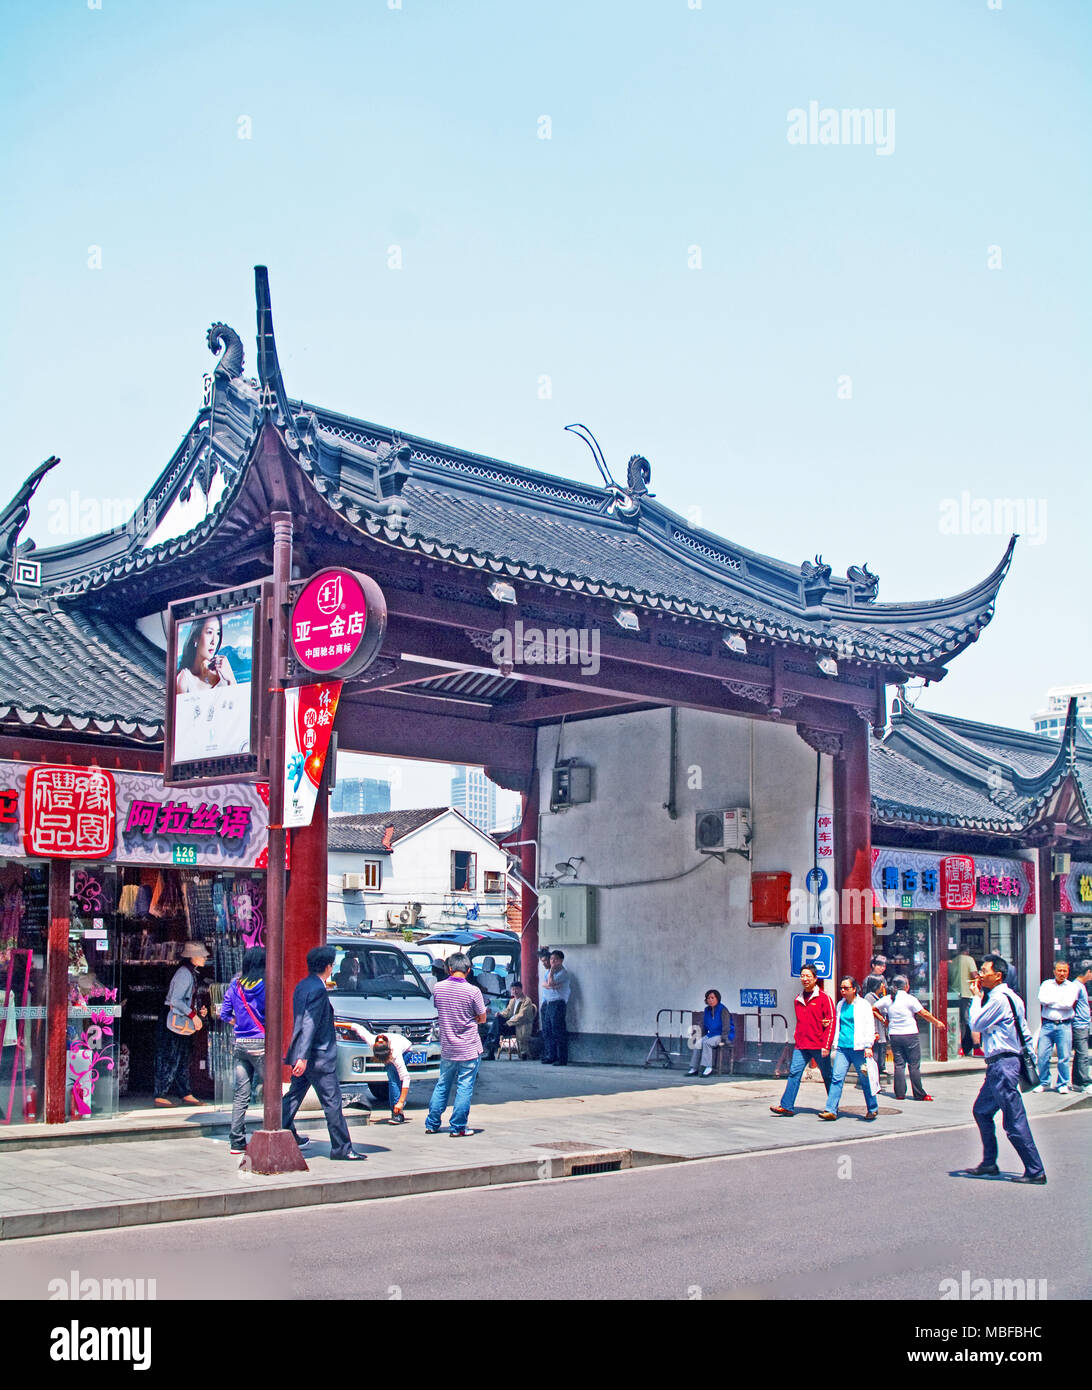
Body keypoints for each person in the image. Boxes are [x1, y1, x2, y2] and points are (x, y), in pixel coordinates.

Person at [959, 952, 1046, 1183]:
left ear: (998, 976)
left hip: (1003, 1064)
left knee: (1014, 1119)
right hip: (1001, 1064)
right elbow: (1025, 1031)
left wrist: (976, 997)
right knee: (981, 1110)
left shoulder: (998, 998)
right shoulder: (1011, 997)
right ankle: (989, 1163)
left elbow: (976, 1023)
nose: (979, 974)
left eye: (984, 971)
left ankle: (1035, 1170)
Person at [282, 945, 364, 1160]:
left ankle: (280, 1130)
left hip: (306, 1053)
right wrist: (304, 1056)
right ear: (328, 967)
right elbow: (310, 1023)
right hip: (318, 1056)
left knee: (293, 1097)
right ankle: (342, 1148)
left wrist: (300, 1054)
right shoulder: (318, 989)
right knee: (332, 1103)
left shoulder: (303, 985)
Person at [426, 952, 486, 1137]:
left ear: (449, 969)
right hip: (469, 1047)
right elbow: (482, 1017)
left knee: (442, 1084)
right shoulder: (473, 991)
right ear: (468, 970)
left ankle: (432, 1123)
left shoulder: (439, 988)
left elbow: (440, 1009)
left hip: (448, 1047)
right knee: (464, 1086)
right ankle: (458, 1127)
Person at [218, 947, 266, 1155]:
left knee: (241, 1095)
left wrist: (239, 1023)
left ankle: (237, 1141)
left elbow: (224, 1014)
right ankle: (281, 1131)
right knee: (273, 1092)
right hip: (262, 1043)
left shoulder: (235, 985)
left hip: (241, 1043)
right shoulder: (265, 985)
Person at [770, 965, 835, 1116]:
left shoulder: (825, 999)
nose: (805, 979)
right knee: (794, 1073)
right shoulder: (798, 999)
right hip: (801, 1045)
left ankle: (832, 1107)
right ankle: (786, 1106)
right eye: (802, 976)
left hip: (819, 1045)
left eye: (808, 976)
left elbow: (830, 1023)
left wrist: (826, 1045)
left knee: (827, 1075)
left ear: (815, 978)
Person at [875, 974, 947, 1102]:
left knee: (899, 1064)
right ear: (906, 986)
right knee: (914, 1065)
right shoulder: (910, 999)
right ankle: (919, 1093)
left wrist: (884, 1020)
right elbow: (923, 1013)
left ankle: (900, 1093)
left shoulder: (888, 999)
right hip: (910, 1034)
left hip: (895, 1035)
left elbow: (873, 1008)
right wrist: (936, 1022)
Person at [154, 941, 208, 1106]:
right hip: (174, 1020)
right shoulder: (184, 974)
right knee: (171, 1055)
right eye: (202, 955)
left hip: (179, 1019)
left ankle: (185, 1092)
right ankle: (161, 1093)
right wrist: (194, 1015)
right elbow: (176, 1000)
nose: (205, 958)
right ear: (193, 957)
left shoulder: (189, 973)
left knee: (182, 1056)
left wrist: (198, 1013)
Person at [818, 976, 878, 1121]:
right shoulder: (840, 1005)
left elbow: (870, 1026)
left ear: (855, 989)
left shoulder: (863, 1005)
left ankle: (872, 1108)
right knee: (837, 1078)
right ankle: (831, 1109)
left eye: (846, 988)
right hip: (842, 1048)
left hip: (859, 1048)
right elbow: (838, 1024)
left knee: (865, 1079)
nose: (843, 991)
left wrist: (868, 1046)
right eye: (841, 988)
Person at [1033, 960, 1081, 1093]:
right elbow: (1043, 999)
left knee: (1064, 1057)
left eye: (1064, 971)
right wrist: (1058, 1001)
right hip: (1047, 1025)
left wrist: (1052, 1001)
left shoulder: (1072, 987)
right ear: (1054, 971)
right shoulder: (1046, 984)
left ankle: (1062, 1084)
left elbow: (1068, 1004)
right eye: (1059, 970)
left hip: (1064, 1025)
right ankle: (1044, 1082)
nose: (1062, 973)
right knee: (1042, 1055)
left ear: (1068, 972)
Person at [351, 1024, 412, 1123]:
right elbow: (356, 1027)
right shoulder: (371, 1040)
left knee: (393, 1080)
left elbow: (406, 1078)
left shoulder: (396, 1055)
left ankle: (397, 1114)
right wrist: (335, 1024)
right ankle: (398, 1107)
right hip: (396, 1046)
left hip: (407, 1050)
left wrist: (400, 1102)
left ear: (389, 1054)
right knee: (394, 1078)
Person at [175, 615, 236, 694]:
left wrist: (231, 678)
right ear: (196, 637)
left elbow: (238, 704)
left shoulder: (223, 671)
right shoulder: (184, 679)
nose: (214, 641)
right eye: (209, 632)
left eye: (218, 633)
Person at [686, 989, 735, 1076]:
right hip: (711, 1034)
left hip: (722, 1035)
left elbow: (726, 1025)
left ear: (717, 999)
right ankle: (694, 1068)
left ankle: (708, 1067)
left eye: (712, 998)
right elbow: (704, 1024)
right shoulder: (707, 1010)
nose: (710, 1000)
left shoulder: (723, 1010)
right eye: (708, 998)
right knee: (698, 1043)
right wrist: (702, 1036)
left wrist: (724, 1039)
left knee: (707, 1043)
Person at [482, 983, 536, 1060]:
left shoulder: (527, 1001)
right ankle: (492, 1046)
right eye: (513, 989)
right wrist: (500, 1014)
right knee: (498, 1019)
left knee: (496, 1027)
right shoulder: (512, 1001)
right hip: (510, 1025)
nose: (515, 991)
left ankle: (490, 1049)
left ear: (521, 989)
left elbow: (521, 1016)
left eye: (517, 989)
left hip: (519, 1025)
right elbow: (507, 1012)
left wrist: (508, 1023)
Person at [540, 949, 572, 1066]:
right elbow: (545, 984)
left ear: (561, 960)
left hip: (558, 1003)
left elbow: (550, 983)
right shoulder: (548, 971)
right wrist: (550, 982)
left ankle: (562, 1058)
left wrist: (552, 975)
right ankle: (551, 1055)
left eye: (555, 959)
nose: (552, 961)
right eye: (551, 959)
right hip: (549, 1003)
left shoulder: (563, 973)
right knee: (548, 1030)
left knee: (558, 1030)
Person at [952, 944, 981, 1056]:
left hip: (954, 994)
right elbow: (974, 975)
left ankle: (959, 1048)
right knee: (970, 1020)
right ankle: (976, 1047)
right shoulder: (969, 960)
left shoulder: (953, 961)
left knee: (958, 1022)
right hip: (967, 994)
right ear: (967, 952)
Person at [862, 973, 888, 1082]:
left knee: (879, 1054)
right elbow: (869, 1015)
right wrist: (875, 1032)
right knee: (874, 1057)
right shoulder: (869, 997)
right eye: (881, 984)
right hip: (875, 1031)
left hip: (881, 1031)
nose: (883, 986)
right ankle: (872, 1081)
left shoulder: (879, 997)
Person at [1072, 961, 1092, 1093]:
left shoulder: (1081, 986)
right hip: (1079, 1025)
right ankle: (1085, 1082)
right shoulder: (1076, 987)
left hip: (1083, 1024)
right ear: (1088, 972)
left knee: (1079, 1055)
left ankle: (1077, 1082)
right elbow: (1070, 1004)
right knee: (1083, 1054)